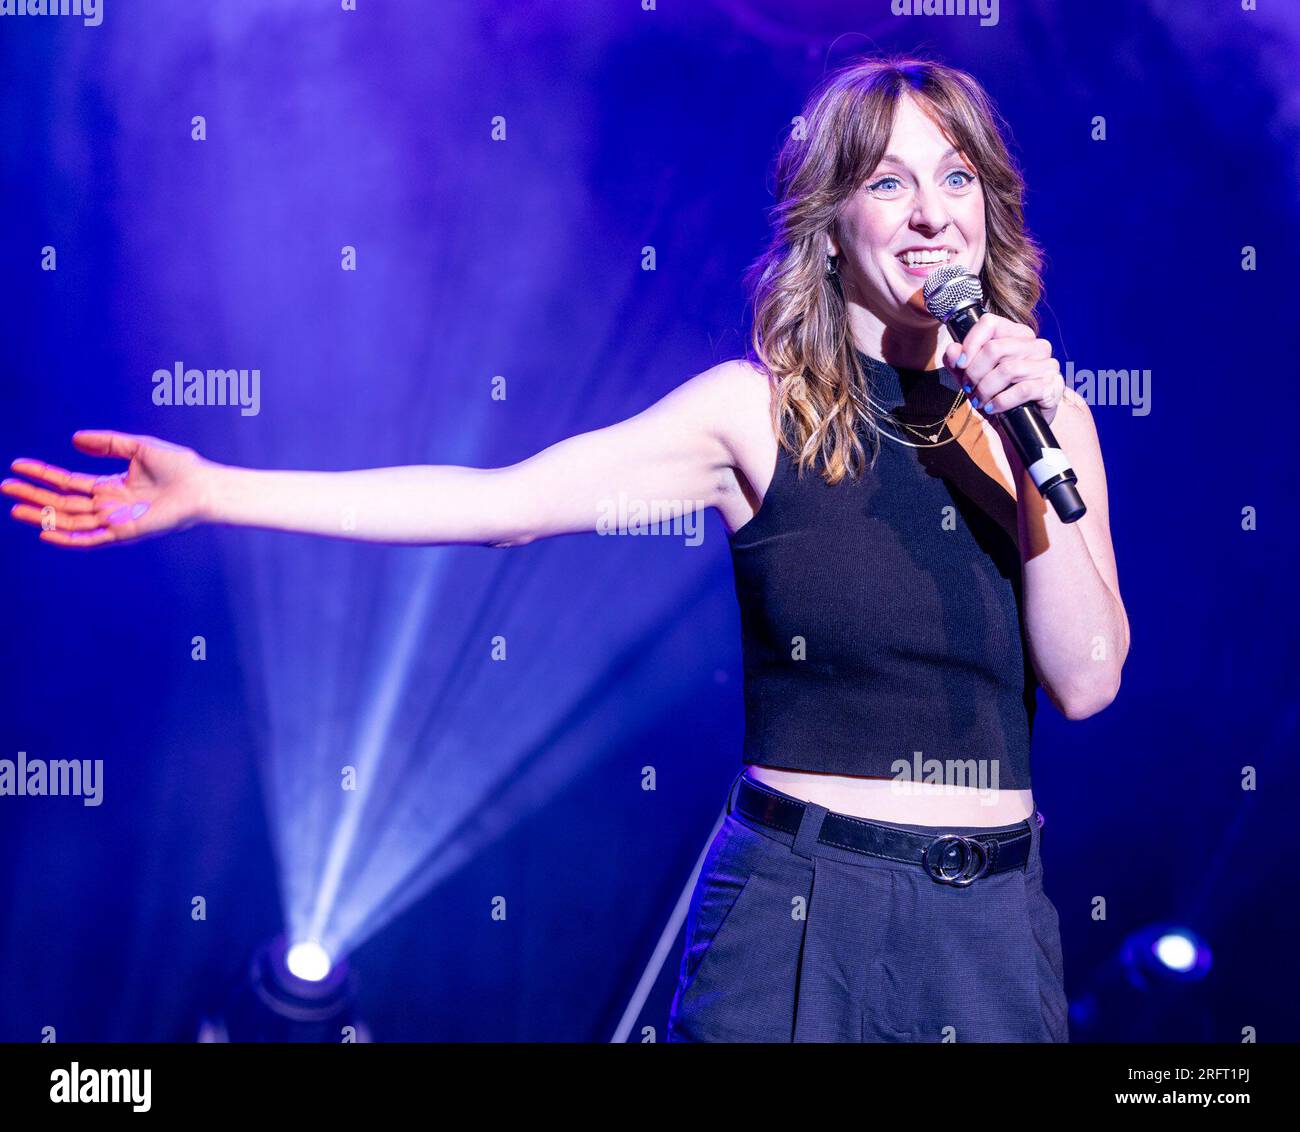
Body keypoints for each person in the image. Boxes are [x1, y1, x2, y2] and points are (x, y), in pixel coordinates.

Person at [3, 54, 1127, 1043]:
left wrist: (1034, 463)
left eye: (955, 176)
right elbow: (504, 501)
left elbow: (1084, 678)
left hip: (986, 927)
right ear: (833, 222)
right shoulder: (757, 411)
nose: (930, 212)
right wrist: (217, 490)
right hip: (803, 910)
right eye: (887, 180)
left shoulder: (1045, 420)